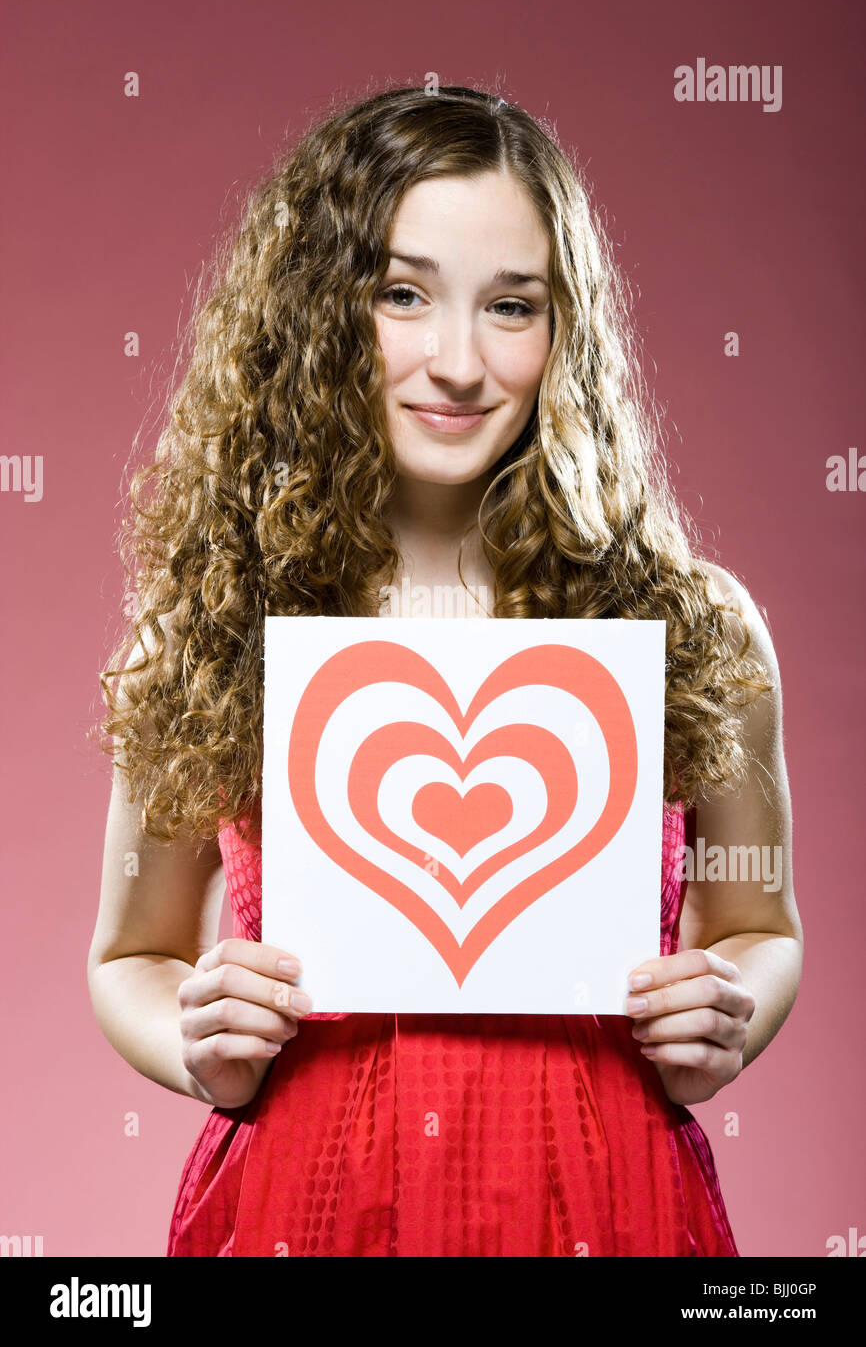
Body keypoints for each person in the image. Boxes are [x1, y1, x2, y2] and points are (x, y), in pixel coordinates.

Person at [87, 83, 802, 1257]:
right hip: (307, 1209)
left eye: (510, 306)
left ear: (563, 330)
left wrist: (724, 1010)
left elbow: (756, 924)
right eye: (401, 295)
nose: (457, 362)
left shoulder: (694, 627)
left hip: (602, 1197)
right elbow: (131, 953)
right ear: (316, 310)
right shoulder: (212, 625)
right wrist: (190, 1037)